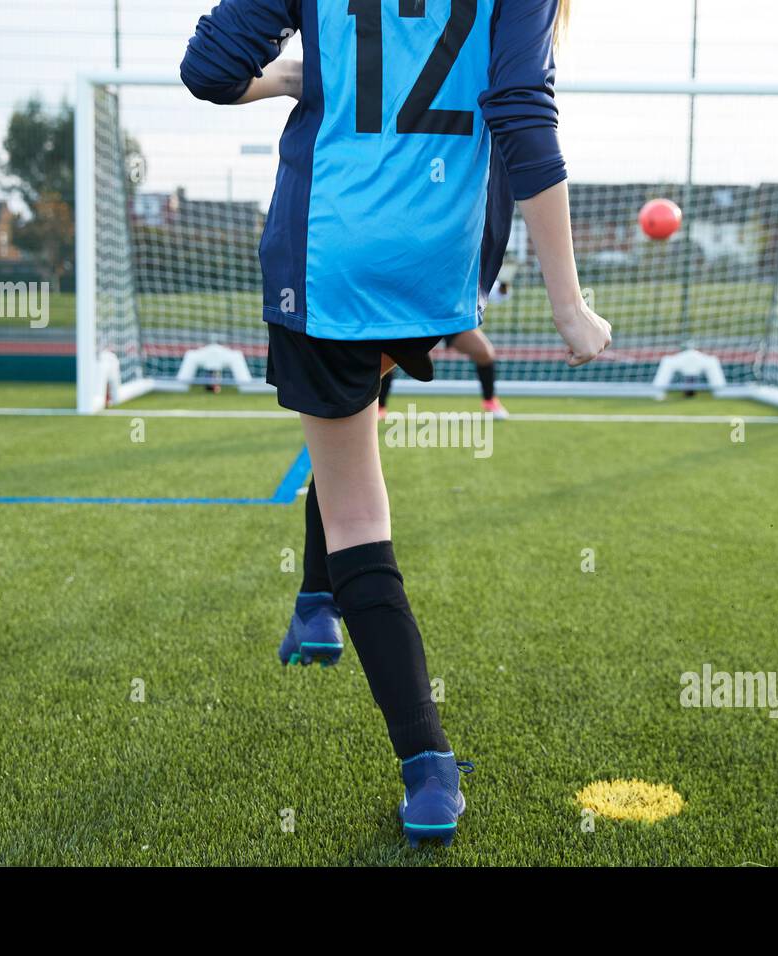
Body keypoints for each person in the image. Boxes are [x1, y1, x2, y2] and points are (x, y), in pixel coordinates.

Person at [181, 0, 609, 847]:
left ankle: (428, 767)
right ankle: (314, 604)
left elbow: (209, 72)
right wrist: (568, 301)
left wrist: (286, 77)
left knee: (353, 505)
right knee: (353, 425)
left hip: (327, 253)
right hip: (434, 266)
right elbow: (521, 107)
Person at [378, 327, 509, 421]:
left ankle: (490, 402)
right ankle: (379, 407)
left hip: (447, 313)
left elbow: (498, 293)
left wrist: (502, 289)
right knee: (387, 359)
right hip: (414, 312)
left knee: (484, 353)